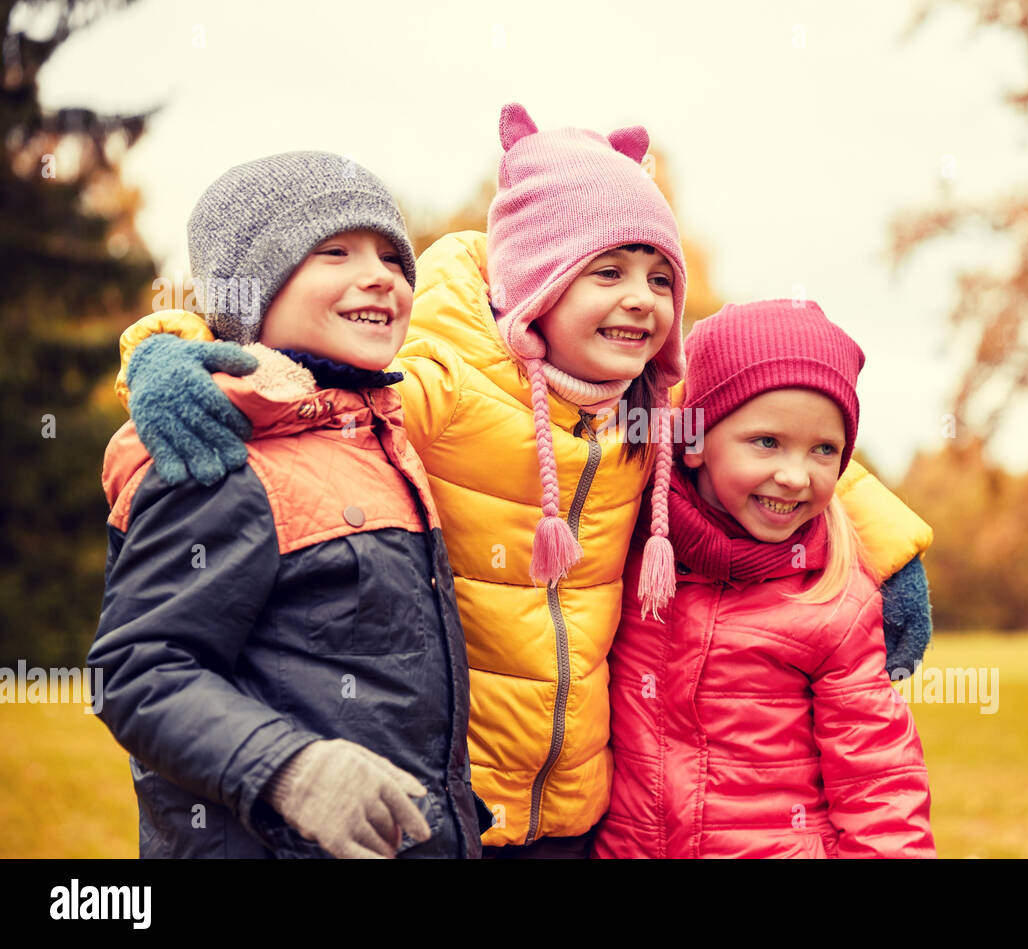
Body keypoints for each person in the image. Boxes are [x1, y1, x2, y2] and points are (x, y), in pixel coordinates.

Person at [109, 105, 935, 857]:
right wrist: (175, 349)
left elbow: (770, 425)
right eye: (606, 272)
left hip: (581, 812)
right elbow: (302, 388)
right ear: (539, 281)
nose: (642, 301)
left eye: (659, 279)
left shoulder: (645, 405)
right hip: (463, 799)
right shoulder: (443, 375)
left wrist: (893, 550)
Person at [88, 152, 489, 859]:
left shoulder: (381, 439)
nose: (380, 275)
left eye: (395, 259)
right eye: (334, 251)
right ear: (251, 290)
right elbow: (139, 668)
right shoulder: (217, 450)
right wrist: (289, 767)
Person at [594, 300, 936, 858]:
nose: (795, 475)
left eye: (824, 449)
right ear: (696, 440)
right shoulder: (629, 546)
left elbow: (878, 779)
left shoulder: (835, 601)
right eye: (766, 442)